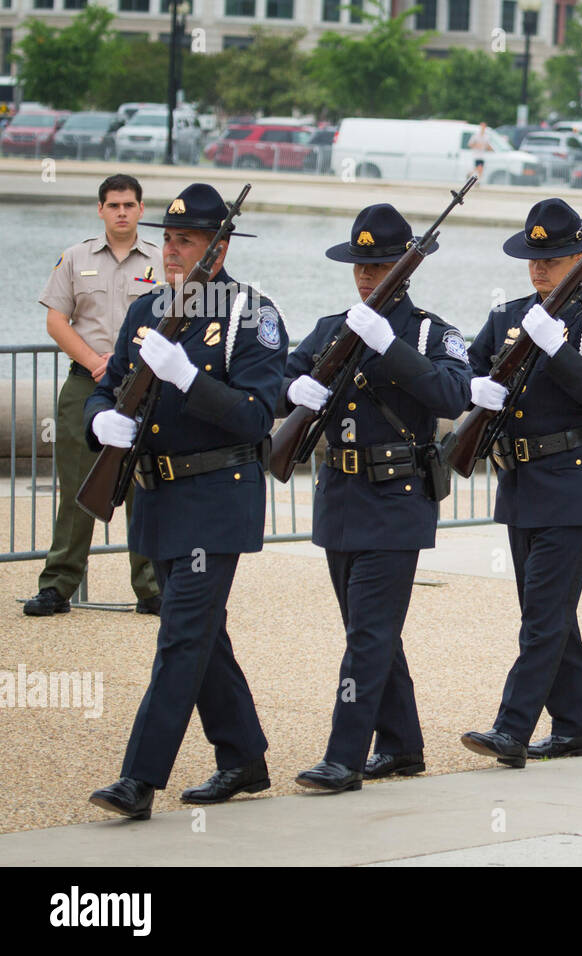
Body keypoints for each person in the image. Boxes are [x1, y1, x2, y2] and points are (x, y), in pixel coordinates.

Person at [85, 183, 287, 820]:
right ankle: (244, 756)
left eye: (188, 242)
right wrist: (99, 422)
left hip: (215, 498)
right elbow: (111, 385)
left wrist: (188, 379)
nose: (172, 252)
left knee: (179, 638)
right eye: (169, 240)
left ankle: (139, 780)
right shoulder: (146, 311)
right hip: (158, 498)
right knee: (203, 637)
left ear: (218, 251)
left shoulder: (251, 315)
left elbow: (258, 417)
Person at [279, 205, 472, 792]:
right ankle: (403, 746)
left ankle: (344, 756)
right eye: (361, 264)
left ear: (404, 269)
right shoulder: (331, 325)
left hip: (396, 500)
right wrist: (295, 386)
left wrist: (389, 344)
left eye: (381, 264)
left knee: (367, 636)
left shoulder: (430, 332)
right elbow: (284, 374)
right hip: (340, 495)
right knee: (370, 631)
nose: (367, 275)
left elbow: (453, 393)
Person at [460, 198, 582, 768]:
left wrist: (556, 348)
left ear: (581, 259)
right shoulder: (507, 316)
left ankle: (511, 729)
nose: (539, 268)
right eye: (534, 257)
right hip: (521, 484)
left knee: (543, 617)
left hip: (573, 483)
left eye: (553, 258)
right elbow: (467, 368)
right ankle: (577, 728)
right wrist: (476, 389)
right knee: (551, 615)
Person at [24, 174, 163, 618]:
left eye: (129, 204)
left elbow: (179, 321)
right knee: (79, 487)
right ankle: (58, 586)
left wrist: (131, 366)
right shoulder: (74, 258)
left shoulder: (164, 262)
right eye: (113, 204)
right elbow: (57, 321)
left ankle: (152, 588)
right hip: (88, 383)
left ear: (141, 210)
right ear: (100, 210)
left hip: (146, 387)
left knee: (147, 486)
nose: (121, 211)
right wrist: (99, 362)